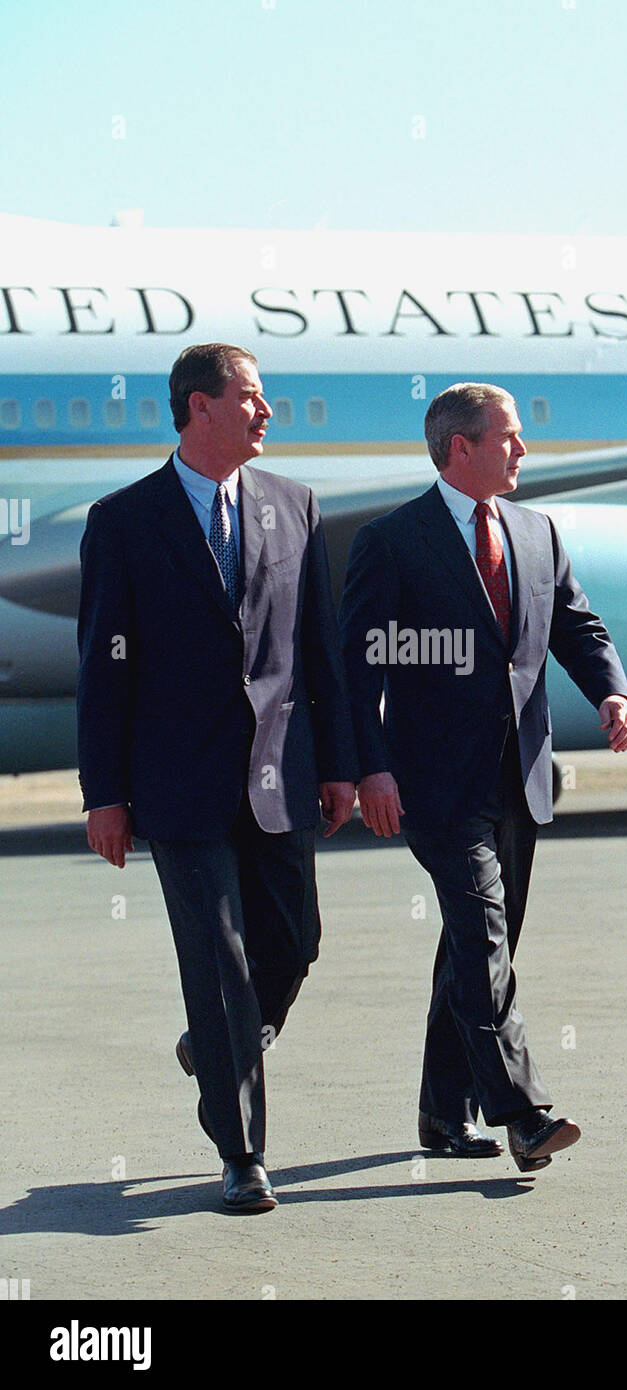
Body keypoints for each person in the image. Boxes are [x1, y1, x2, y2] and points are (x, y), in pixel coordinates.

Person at [77, 343, 358, 1213]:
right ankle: (243, 1155)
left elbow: (320, 650)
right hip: (177, 787)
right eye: (251, 398)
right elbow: (104, 669)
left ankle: (217, 1042)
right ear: (200, 407)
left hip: (283, 777)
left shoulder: (295, 506)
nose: (265, 412)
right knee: (219, 962)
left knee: (296, 942)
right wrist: (105, 795)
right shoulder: (123, 521)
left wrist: (341, 765)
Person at [339, 382, 627, 1172]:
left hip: (521, 775)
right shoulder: (391, 540)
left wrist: (611, 690)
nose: (522, 450)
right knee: (482, 943)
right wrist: (368, 767)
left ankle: (442, 1113)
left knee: (472, 951)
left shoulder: (537, 531)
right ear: (458, 447)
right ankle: (521, 1113)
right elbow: (354, 669)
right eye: (507, 436)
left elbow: (576, 624)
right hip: (432, 782)